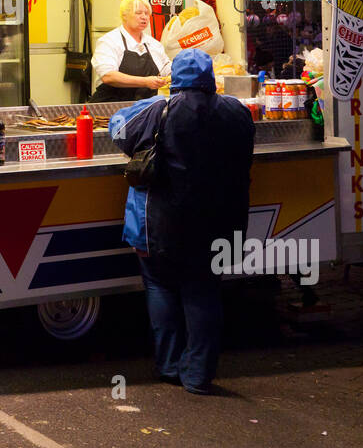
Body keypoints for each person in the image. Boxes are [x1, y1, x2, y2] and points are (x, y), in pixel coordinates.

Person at [109, 49, 255, 395]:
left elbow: (119, 130)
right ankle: (198, 375)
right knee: (203, 291)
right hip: (218, 222)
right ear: (210, 79)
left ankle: (171, 366)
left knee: (159, 287)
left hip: (161, 223)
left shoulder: (159, 110)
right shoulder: (236, 111)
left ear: (175, 79)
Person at [90, 0, 170, 103]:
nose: (144, 17)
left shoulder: (154, 44)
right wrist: (145, 82)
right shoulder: (109, 41)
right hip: (109, 108)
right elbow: (108, 76)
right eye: (138, 13)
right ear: (124, 15)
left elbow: (166, 69)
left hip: (144, 109)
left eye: (147, 13)